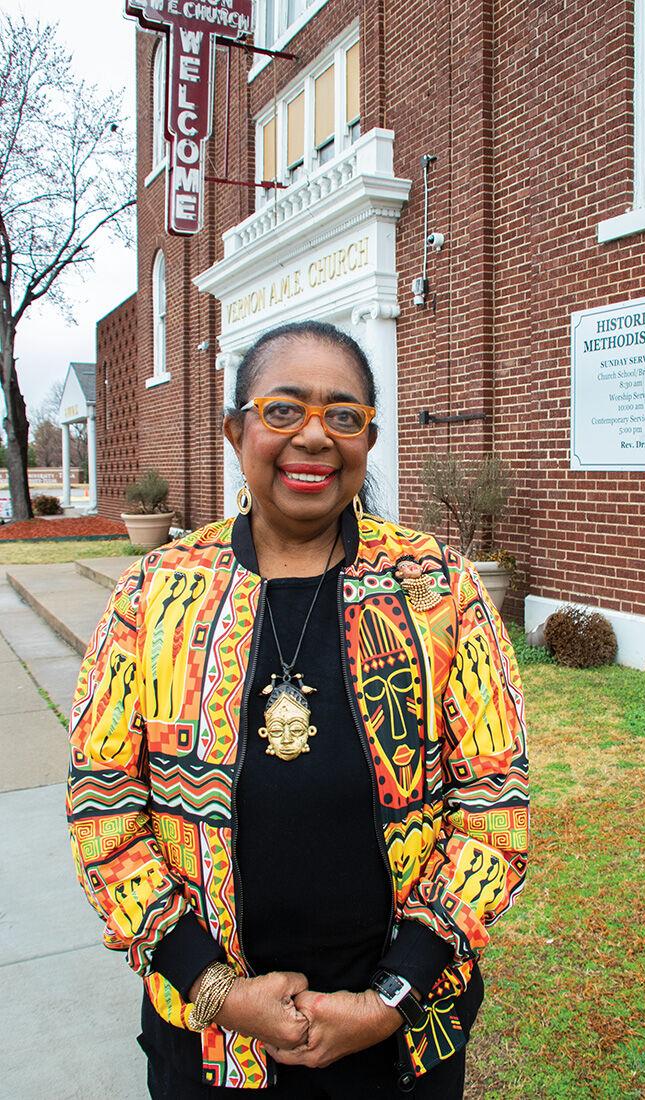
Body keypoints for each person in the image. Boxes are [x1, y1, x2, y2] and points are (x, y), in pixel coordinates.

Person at [67, 320, 529, 1098]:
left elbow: (495, 804)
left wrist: (391, 996)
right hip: (209, 1045)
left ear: (368, 439)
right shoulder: (155, 594)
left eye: (342, 415)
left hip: (402, 1040)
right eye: (283, 409)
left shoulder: (437, 589)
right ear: (235, 431)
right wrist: (213, 987)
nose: (314, 436)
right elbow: (102, 805)